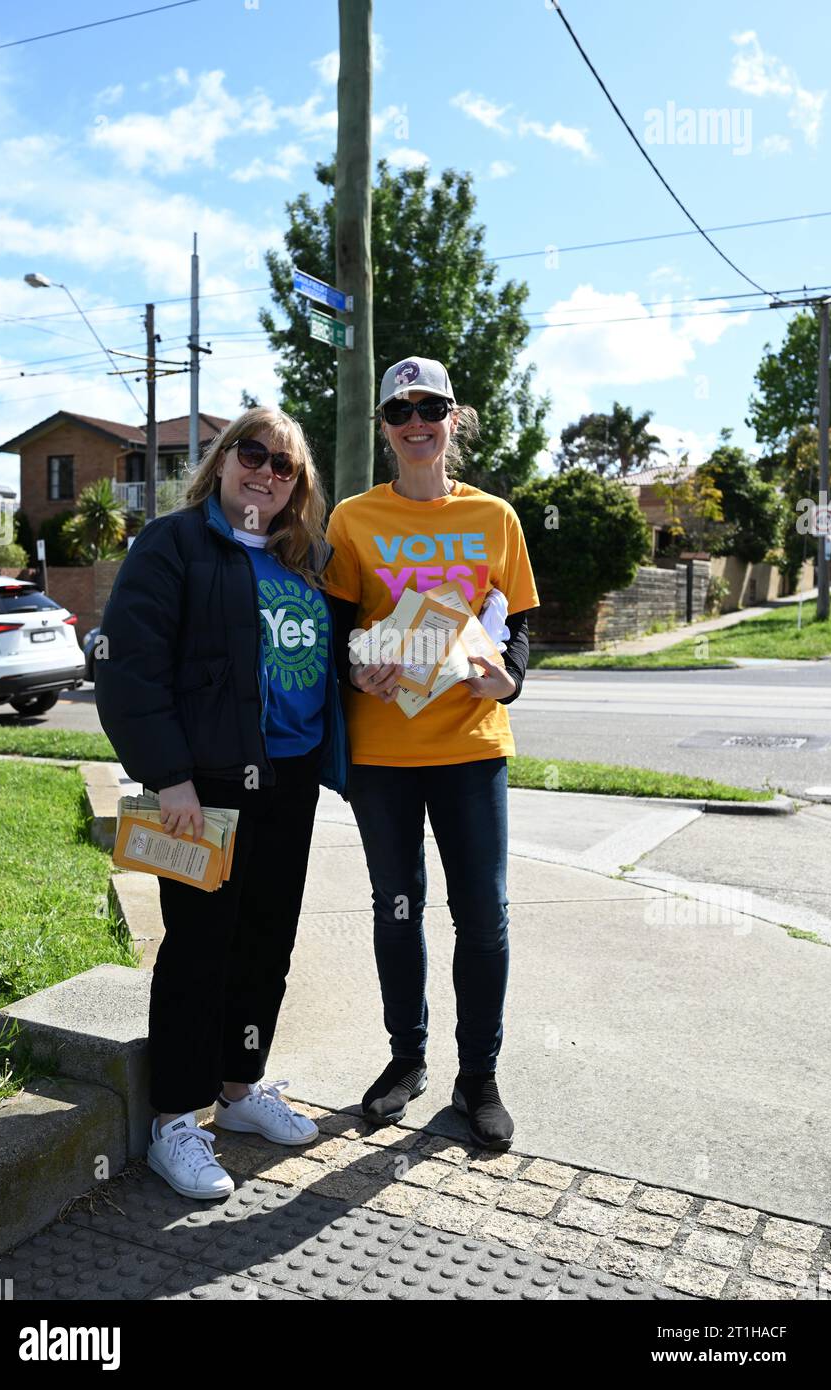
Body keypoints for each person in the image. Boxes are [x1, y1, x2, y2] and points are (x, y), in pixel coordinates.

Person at [94, 407, 348, 1199]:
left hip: (289, 780)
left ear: (297, 486)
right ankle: (176, 1119)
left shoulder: (303, 558)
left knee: (266, 942)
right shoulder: (172, 543)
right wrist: (168, 777)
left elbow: (335, 657)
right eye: (254, 453)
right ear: (222, 459)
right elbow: (130, 669)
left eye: (285, 466)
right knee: (200, 949)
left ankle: (239, 1091)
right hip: (201, 789)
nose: (266, 472)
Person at [323, 356, 539, 1151]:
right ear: (383, 427)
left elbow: (517, 626)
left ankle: (476, 1078)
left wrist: (507, 682)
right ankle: (404, 1061)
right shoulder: (351, 519)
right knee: (397, 908)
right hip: (381, 750)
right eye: (399, 410)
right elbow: (335, 630)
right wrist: (355, 663)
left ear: (454, 419)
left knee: (482, 917)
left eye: (431, 407)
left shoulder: (495, 519)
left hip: (471, 744)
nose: (415, 421)